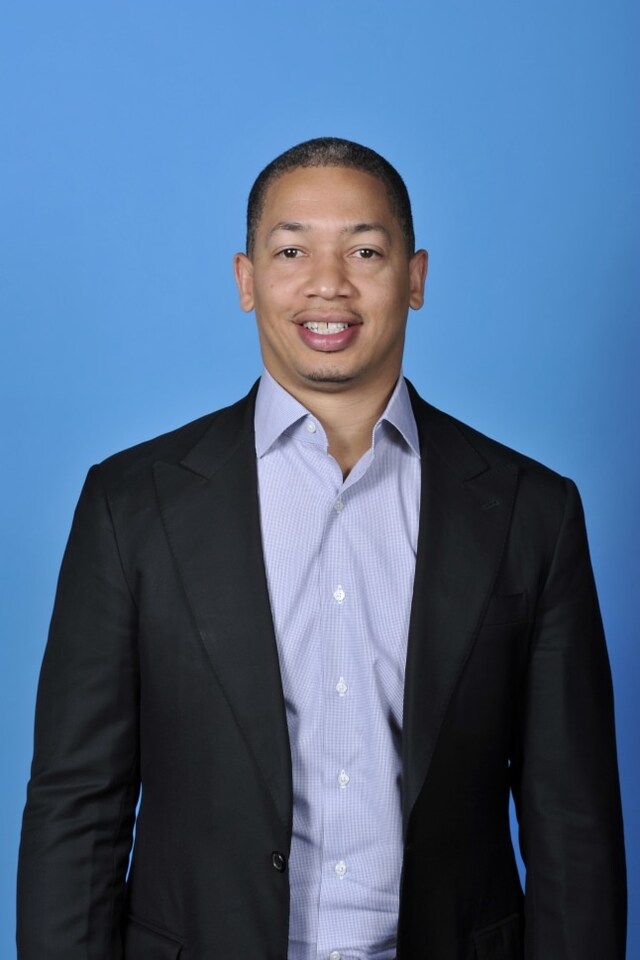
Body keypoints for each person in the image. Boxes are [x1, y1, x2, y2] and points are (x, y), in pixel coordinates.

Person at [17, 138, 626, 960]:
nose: (328, 284)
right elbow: (77, 805)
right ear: (246, 280)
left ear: (415, 278)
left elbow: (572, 822)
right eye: (292, 251)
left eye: (365, 251)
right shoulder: (132, 506)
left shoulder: (531, 512)